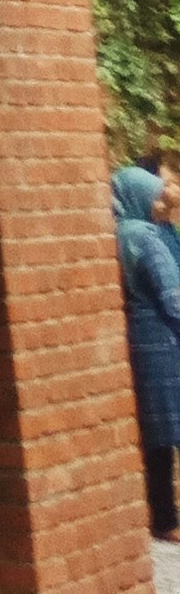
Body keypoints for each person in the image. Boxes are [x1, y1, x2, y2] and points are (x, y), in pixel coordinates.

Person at [116, 159, 180, 541]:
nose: (161, 203)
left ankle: (164, 518)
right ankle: (168, 521)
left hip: (142, 345)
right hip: (167, 345)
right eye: (156, 198)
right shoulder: (145, 238)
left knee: (158, 439)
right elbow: (174, 296)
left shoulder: (121, 232)